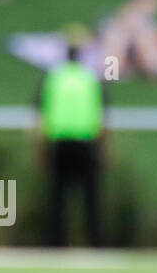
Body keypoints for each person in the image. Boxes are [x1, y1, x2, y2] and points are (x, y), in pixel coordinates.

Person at [38, 44, 107, 247]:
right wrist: (103, 148)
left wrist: (41, 149)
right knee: (91, 198)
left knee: (57, 197)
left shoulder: (54, 78)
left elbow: (43, 115)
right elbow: (101, 116)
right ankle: (96, 243)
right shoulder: (90, 78)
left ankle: (55, 243)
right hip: (86, 141)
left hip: (59, 141)